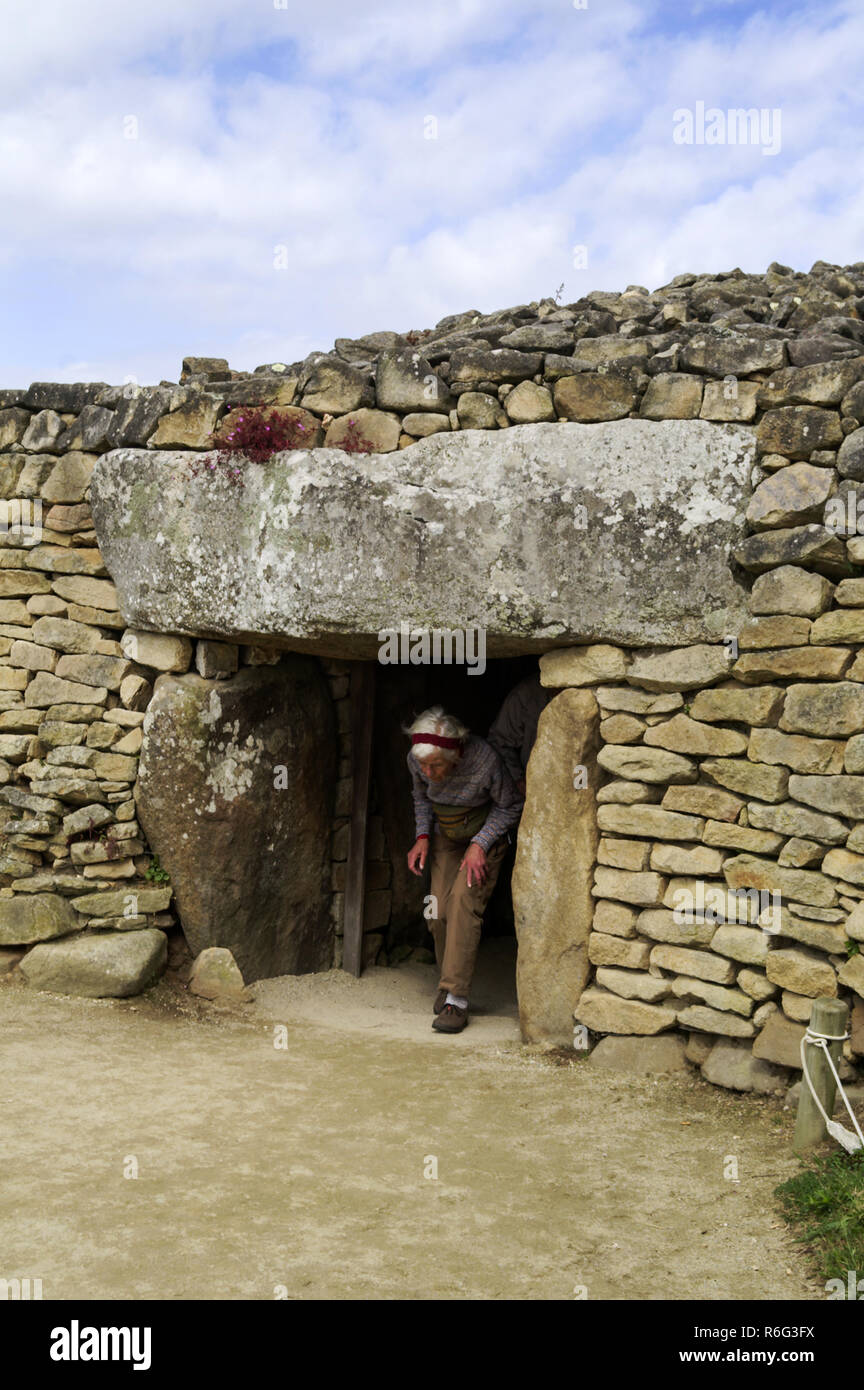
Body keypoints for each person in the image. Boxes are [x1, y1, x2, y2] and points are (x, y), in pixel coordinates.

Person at [405, 705, 523, 1033]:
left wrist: (480, 844)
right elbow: (422, 798)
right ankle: (448, 983)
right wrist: (423, 837)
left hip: (485, 838)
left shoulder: (485, 761)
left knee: (462, 904)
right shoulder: (417, 759)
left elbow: (511, 805)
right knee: (436, 911)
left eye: (436, 765)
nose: (428, 771)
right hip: (447, 836)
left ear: (455, 752)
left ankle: (456, 1000)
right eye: (423, 765)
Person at [486, 672, 553, 795]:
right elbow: (499, 741)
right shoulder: (527, 694)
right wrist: (518, 780)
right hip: (533, 785)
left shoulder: (585, 690)